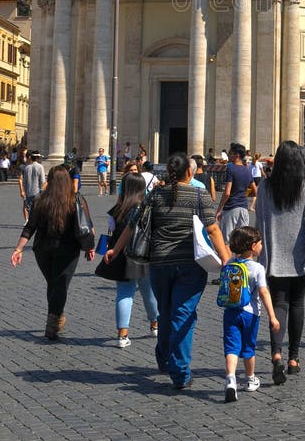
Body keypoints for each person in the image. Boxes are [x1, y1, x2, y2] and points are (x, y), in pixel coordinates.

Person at [105, 152, 229, 390]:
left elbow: (133, 224)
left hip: (159, 264)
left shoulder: (155, 195)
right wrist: (226, 258)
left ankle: (164, 357)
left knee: (166, 311)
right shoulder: (199, 194)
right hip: (191, 265)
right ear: (190, 172)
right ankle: (180, 372)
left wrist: (116, 249)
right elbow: (213, 229)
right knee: (183, 314)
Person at [255, 140, 305, 385]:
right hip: (301, 256)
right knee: (297, 304)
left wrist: (261, 254)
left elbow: (259, 221)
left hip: (274, 257)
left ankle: (276, 354)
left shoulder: (265, 186)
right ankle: (293, 358)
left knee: (279, 305)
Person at [10, 165, 95, 340]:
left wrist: (19, 248)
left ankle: (57, 316)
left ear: (49, 180)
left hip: (43, 250)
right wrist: (89, 247)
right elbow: (87, 226)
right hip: (68, 250)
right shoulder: (76, 199)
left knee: (53, 283)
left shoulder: (40, 200)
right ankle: (52, 323)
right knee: (60, 285)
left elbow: (30, 227)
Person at [221, 226, 280, 402]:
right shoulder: (257, 268)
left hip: (230, 311)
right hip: (250, 314)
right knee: (248, 348)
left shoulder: (230, 264)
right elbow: (263, 292)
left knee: (231, 348)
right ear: (253, 246)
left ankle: (230, 379)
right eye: (260, 243)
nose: (262, 246)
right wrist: (272, 316)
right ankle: (250, 379)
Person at [105, 173, 159, 348]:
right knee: (149, 292)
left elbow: (112, 231)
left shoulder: (116, 210)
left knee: (124, 293)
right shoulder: (144, 209)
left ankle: (122, 334)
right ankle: (155, 325)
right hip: (142, 254)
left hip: (121, 254)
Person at [216, 143, 254, 244]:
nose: (228, 155)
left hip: (231, 207)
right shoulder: (247, 170)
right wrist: (244, 195)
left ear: (236, 155)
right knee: (242, 242)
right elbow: (255, 190)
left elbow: (227, 193)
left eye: (230, 153)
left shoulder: (231, 168)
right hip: (243, 208)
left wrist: (219, 209)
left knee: (226, 241)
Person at [18, 150, 46, 217]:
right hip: (37, 193)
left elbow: (24, 183)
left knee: (30, 213)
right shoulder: (40, 167)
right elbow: (42, 182)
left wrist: (24, 192)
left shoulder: (27, 168)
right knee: (38, 213)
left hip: (29, 193)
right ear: (37, 158)